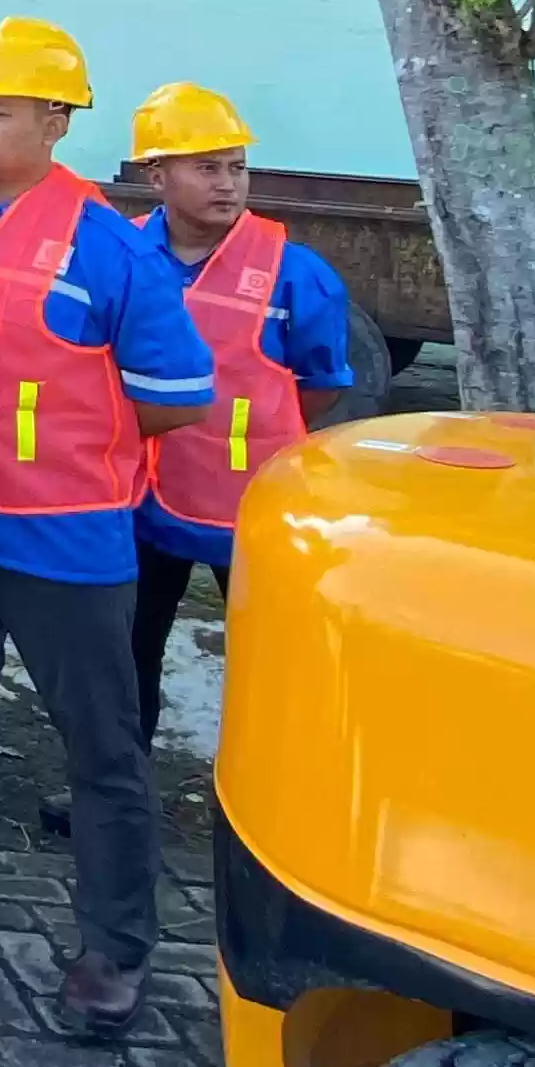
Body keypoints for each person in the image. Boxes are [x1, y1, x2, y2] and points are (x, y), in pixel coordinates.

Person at [0, 16, 215, 1040]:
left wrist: (70, 436)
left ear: (53, 120)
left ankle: (115, 947)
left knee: (101, 745)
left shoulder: (107, 246)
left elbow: (175, 392)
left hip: (66, 535)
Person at [126, 81, 355, 739]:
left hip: (252, 507)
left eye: (236, 167)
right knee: (130, 650)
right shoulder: (124, 255)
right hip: (145, 500)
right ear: (157, 174)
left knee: (265, 663)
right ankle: (127, 779)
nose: (227, 184)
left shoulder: (294, 273)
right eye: (206, 168)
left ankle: (259, 796)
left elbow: (320, 381)